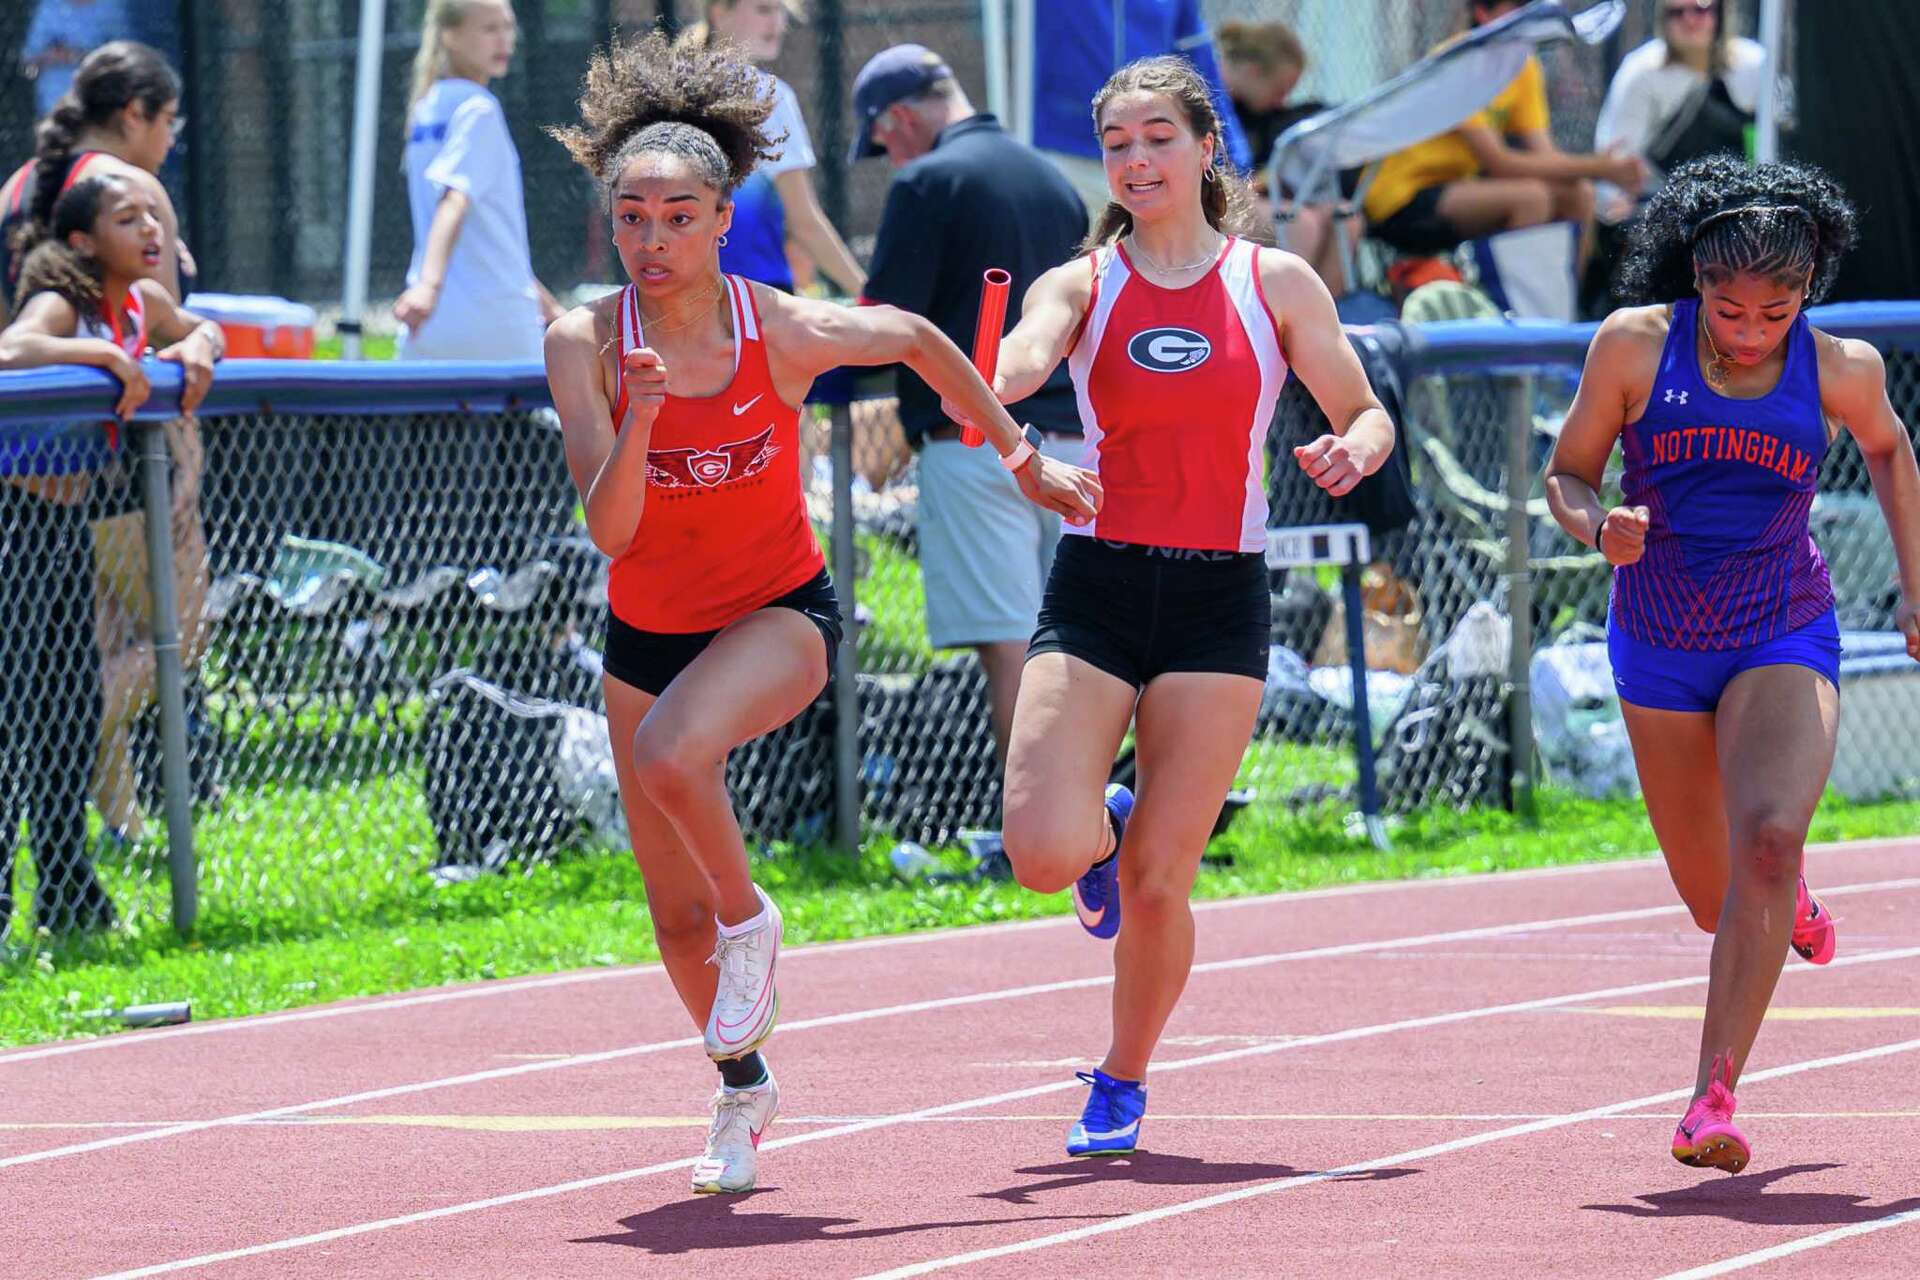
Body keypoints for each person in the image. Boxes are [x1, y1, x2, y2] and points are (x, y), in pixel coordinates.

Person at [542, 32, 1099, 1194]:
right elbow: (613, 530)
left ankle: (757, 924)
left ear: (723, 215)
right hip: (649, 630)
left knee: (669, 753)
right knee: (672, 915)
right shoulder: (586, 342)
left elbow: (917, 337)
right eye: (632, 216)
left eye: (679, 215)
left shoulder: (780, 329)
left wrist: (1020, 451)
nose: (652, 239)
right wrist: (639, 419)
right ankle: (744, 1086)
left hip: (778, 612)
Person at [949, 55, 1395, 1157]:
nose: (1136, 160)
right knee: (1043, 850)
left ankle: (1122, 1075)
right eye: (1117, 144)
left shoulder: (1277, 280)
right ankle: (1096, 835)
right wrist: (995, 374)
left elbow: (1367, 409)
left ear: (1206, 150)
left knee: (1160, 883)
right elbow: (1021, 356)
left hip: (1218, 597)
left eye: (1157, 139)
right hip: (1099, 581)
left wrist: (1354, 447)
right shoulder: (1085, 279)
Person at [1545, 155, 1920, 1174]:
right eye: (1730, 307)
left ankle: (1712, 1094)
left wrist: (1917, 584)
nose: (1752, 329)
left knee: (1765, 840)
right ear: (1694, 280)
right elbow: (1570, 473)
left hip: (1781, 626)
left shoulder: (1842, 368)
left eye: (1776, 308)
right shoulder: (1634, 347)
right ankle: (1786, 902)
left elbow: (1888, 450)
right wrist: (1597, 526)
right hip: (1658, 643)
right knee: (1716, 900)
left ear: (1809, 290)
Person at [848, 43, 1088, 773]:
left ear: (899, 116)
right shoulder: (1054, 179)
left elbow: (882, 319)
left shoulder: (927, 181)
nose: (887, 153)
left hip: (978, 442)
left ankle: (1042, 829)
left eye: (882, 136)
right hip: (1074, 445)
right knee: (1079, 645)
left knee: (1014, 645)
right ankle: (1097, 817)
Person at [0, 171, 223, 936]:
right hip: (13, 519)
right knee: (10, 715)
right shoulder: (65, 301)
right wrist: (103, 360)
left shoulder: (138, 302)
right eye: (127, 220)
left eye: (153, 217)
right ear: (83, 242)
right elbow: (12, 349)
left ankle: (67, 890)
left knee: (69, 709)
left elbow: (201, 329)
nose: (149, 230)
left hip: (65, 524)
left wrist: (194, 346)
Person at [1363, 0, 1649, 268]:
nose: (1525, 22)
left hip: (1459, 185)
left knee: (1580, 195)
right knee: (1532, 198)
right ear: (1482, 13)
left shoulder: (1521, 64)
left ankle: (1563, 304)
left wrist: (1598, 170)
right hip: (1402, 193)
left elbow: (1545, 155)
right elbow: (1499, 162)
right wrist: (1599, 168)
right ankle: (1513, 308)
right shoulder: (1457, 62)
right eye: (1514, 11)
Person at [394, 0, 565, 360]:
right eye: (489, 29)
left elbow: (491, 246)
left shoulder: (426, 110)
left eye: (508, 27)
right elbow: (453, 202)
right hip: (497, 328)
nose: (504, 40)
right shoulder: (478, 109)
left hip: (427, 331)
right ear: (450, 36)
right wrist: (429, 286)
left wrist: (550, 311)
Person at [676, 0, 866, 297]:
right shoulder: (766, 95)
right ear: (719, 11)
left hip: (675, 297)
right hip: (755, 298)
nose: (777, 23)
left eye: (781, 11)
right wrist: (869, 295)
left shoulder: (669, 87)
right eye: (764, 9)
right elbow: (804, 222)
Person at [1216, 19, 1356, 295]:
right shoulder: (1206, 98)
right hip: (1210, 197)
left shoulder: (1260, 111)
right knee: (1299, 224)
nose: (1282, 102)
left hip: (1252, 194)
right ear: (1255, 72)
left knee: (1346, 217)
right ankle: (1285, 321)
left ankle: (1328, 324)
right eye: (1280, 91)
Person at [1592, 0, 1765, 222]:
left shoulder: (1755, 64)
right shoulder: (1640, 71)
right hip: (1661, 208)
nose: (1690, 20)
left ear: (1720, 12)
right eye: (1677, 13)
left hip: (1743, 204)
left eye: (1701, 9)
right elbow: (1616, 157)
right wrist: (1614, 204)